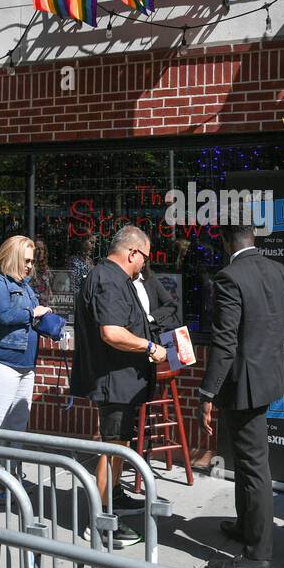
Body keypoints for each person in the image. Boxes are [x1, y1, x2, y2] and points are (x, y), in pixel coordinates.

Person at [196, 224, 284, 568]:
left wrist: (207, 393)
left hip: (245, 385)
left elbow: (224, 344)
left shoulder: (228, 277)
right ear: (253, 240)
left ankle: (258, 554)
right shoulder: (278, 269)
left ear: (226, 243)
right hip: (269, 378)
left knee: (253, 466)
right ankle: (245, 526)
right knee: (245, 459)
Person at [70, 225, 166, 549]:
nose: (145, 266)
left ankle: (114, 498)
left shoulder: (112, 278)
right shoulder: (108, 279)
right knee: (112, 446)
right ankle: (99, 522)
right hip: (114, 381)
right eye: (145, 259)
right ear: (132, 253)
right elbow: (111, 332)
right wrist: (150, 348)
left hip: (122, 380)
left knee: (120, 445)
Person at [0, 235, 48, 435]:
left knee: (17, 427)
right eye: (26, 260)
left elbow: (30, 319)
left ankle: (11, 468)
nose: (30, 265)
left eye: (32, 261)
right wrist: (33, 313)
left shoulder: (26, 287)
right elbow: (5, 316)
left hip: (26, 363)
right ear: (13, 257)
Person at [31, 238, 53, 306]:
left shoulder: (47, 269)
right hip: (33, 304)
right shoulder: (29, 268)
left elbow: (50, 288)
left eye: (42, 249)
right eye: (37, 249)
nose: (40, 252)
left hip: (46, 304)